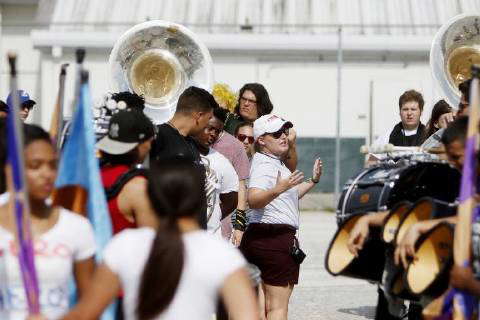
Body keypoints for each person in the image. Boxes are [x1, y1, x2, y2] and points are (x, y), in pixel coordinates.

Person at [63, 158, 259, 320]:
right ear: (201, 199)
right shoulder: (220, 253)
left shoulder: (126, 244)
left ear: (152, 197)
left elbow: (85, 313)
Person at [0, 124, 96, 319]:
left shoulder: (77, 227)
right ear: (11, 170)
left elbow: (89, 303)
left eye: (53, 165)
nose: (47, 174)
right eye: (35, 166)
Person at [240, 114, 322, 320]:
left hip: (263, 238)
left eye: (284, 132)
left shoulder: (273, 162)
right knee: (276, 309)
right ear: (261, 140)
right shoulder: (265, 164)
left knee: (261, 310)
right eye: (276, 134)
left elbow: (288, 198)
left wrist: (312, 181)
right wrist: (278, 188)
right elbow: (254, 199)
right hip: (274, 239)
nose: (283, 137)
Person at [97, 109, 158, 234]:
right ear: (140, 144)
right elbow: (151, 243)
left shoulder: (91, 176)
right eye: (150, 141)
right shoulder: (139, 187)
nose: (150, 147)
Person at [193, 107, 239, 237]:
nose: (213, 134)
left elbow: (231, 200)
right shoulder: (180, 151)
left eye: (217, 131)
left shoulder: (222, 162)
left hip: (211, 238)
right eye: (210, 128)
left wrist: (212, 215)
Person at [209, 107, 250, 244]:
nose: (211, 133)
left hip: (223, 226)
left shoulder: (235, 146)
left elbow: (241, 186)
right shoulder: (191, 140)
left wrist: (239, 226)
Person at [150, 86, 217, 164]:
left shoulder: (191, 144)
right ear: (199, 116)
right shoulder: (154, 137)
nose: (207, 124)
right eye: (209, 118)